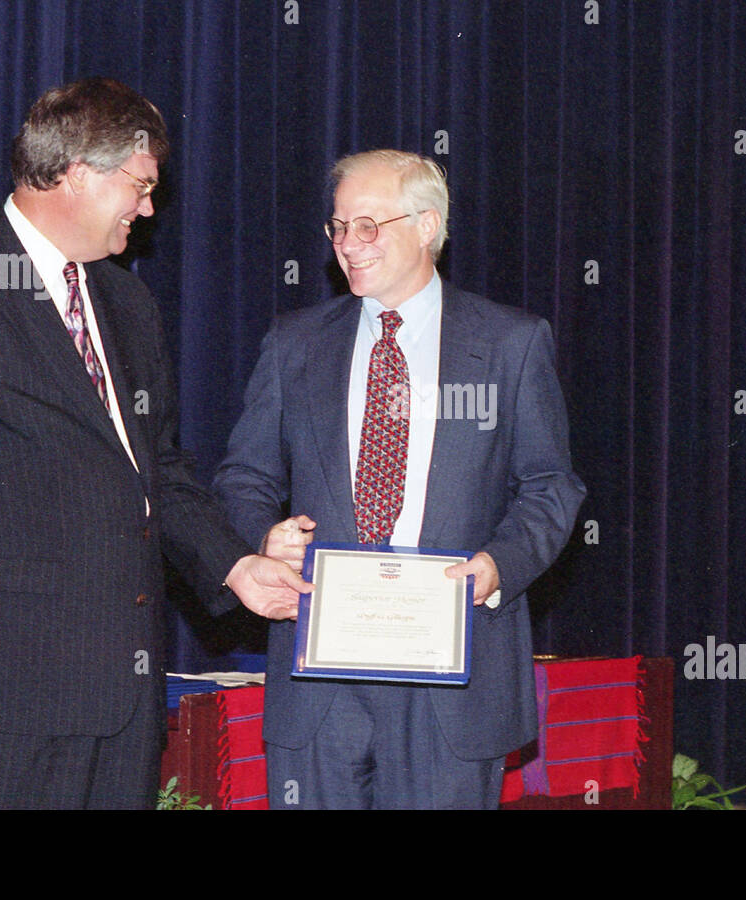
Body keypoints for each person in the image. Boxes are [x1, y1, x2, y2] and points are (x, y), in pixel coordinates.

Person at [0, 77, 307, 809]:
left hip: (121, 708)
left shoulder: (127, 302)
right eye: (140, 186)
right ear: (78, 174)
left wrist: (233, 564)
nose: (148, 208)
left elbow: (158, 472)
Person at [213, 149, 585, 808]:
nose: (347, 245)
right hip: (318, 669)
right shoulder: (295, 343)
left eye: (367, 225)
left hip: (452, 663)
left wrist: (501, 564)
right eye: (337, 227)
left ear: (426, 225)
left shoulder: (510, 343)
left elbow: (551, 483)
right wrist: (261, 534)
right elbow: (244, 473)